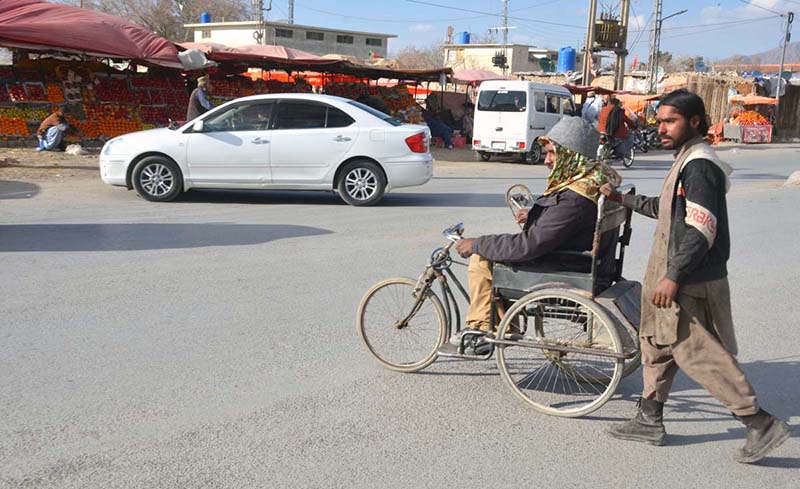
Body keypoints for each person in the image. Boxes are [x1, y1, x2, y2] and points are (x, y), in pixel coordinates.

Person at [602, 89, 790, 464]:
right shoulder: (686, 159)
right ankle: (649, 418)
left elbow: (702, 227)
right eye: (659, 122)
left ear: (696, 122)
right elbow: (668, 209)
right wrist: (624, 199)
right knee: (656, 346)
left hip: (690, 278)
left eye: (670, 121)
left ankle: (758, 422)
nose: (662, 129)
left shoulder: (700, 164)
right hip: (677, 272)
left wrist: (673, 277)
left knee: (695, 352)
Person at [454, 116, 621, 335]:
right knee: (491, 250)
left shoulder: (575, 198)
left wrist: (477, 243)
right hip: (582, 260)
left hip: (566, 267)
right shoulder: (594, 180)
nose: (546, 160)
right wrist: (537, 214)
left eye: (553, 153)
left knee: (481, 258)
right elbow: (564, 222)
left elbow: (528, 246)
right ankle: (504, 325)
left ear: (571, 156)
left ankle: (480, 328)